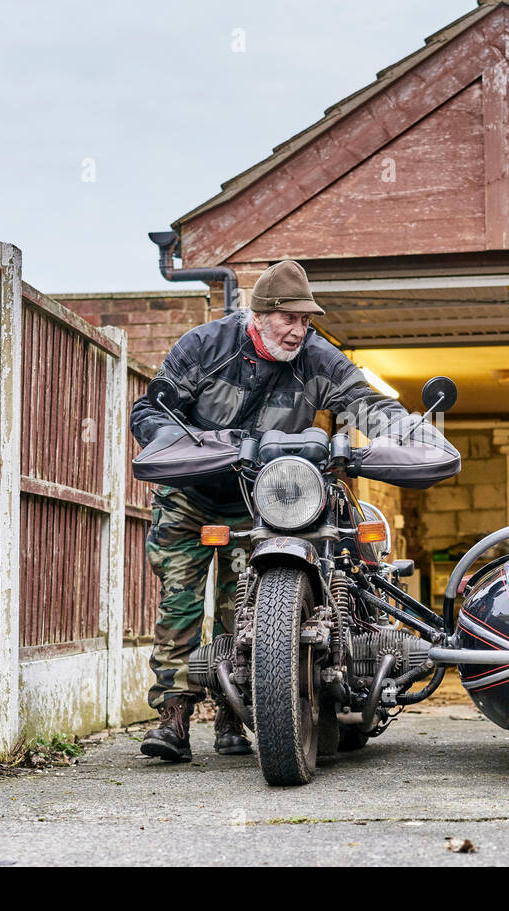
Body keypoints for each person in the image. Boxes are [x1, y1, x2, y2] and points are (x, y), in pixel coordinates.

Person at [129, 259, 451, 762]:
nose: (300, 330)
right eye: (290, 319)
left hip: (266, 501)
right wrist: (182, 444)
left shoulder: (318, 358)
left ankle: (233, 719)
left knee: (244, 610)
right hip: (190, 496)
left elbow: (362, 402)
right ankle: (173, 717)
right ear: (260, 315)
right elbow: (152, 410)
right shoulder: (204, 347)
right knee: (181, 604)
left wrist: (412, 432)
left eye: (307, 321)